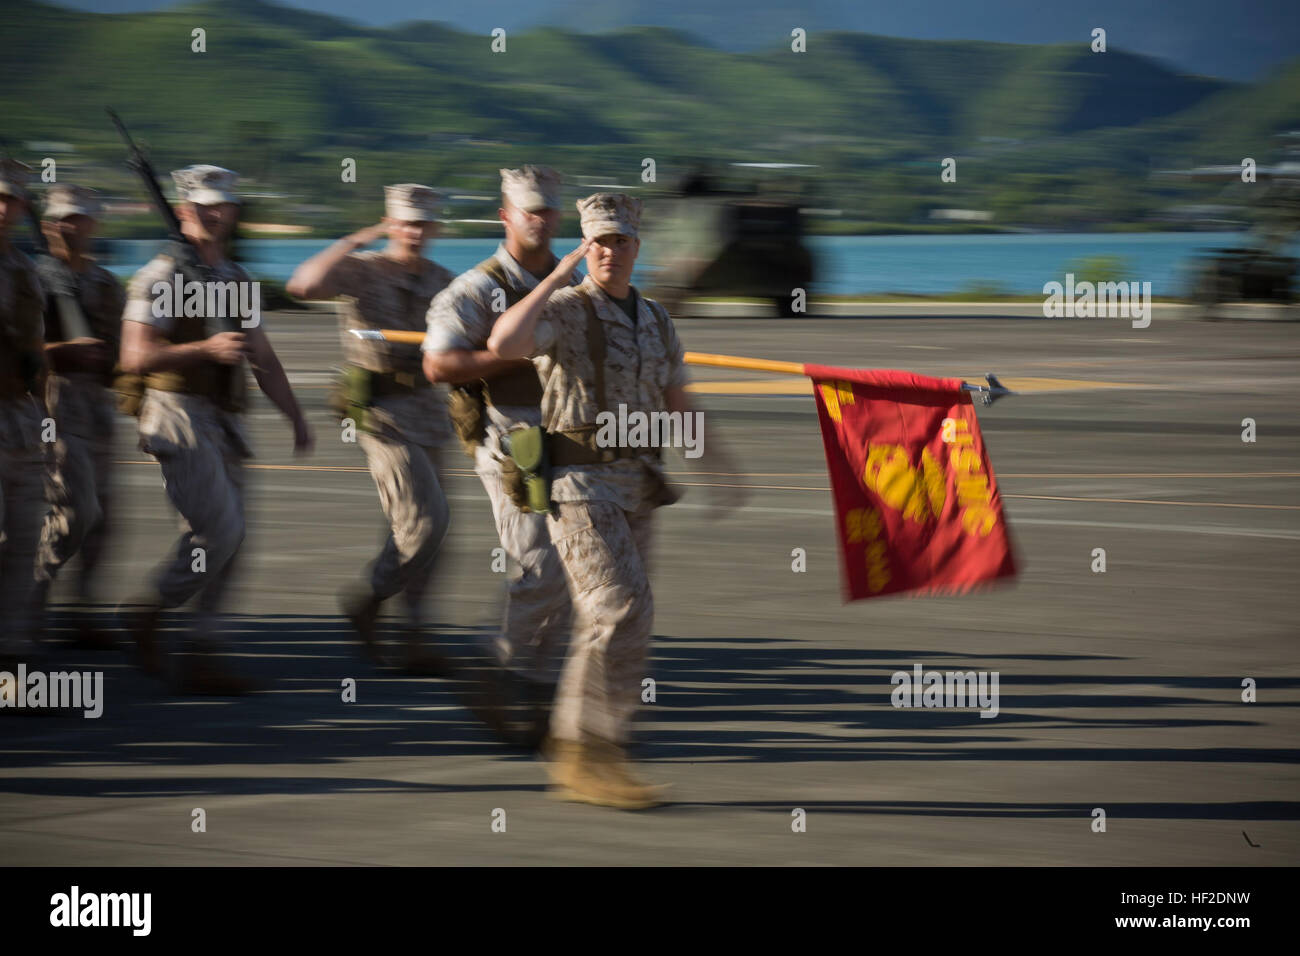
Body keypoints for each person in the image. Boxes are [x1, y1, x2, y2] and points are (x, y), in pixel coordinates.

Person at [487, 192, 699, 808]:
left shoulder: (656, 318)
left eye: (621, 240)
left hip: (638, 485)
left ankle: (597, 749)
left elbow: (677, 396)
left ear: (636, 246)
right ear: (585, 246)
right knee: (618, 608)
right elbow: (504, 344)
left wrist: (718, 460)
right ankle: (584, 754)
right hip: (577, 487)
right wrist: (556, 273)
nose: (609, 251)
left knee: (622, 620)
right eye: (598, 241)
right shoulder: (564, 309)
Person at [119, 164, 312, 694]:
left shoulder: (233, 278)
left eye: (222, 204)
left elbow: (263, 358)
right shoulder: (160, 277)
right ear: (182, 210)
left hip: (224, 417)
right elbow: (135, 355)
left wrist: (294, 414)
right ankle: (150, 607)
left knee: (236, 538)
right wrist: (204, 348)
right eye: (201, 204)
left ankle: (204, 649)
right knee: (218, 531)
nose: (213, 212)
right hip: (176, 412)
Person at [423, 166, 575, 745]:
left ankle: (530, 691)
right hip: (514, 447)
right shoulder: (474, 289)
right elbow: (438, 365)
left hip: (574, 445)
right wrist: (513, 359)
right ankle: (497, 669)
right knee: (537, 566)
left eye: (547, 210)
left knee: (569, 571)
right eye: (527, 209)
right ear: (505, 214)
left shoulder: (572, 281)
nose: (538, 219)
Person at [286, 185, 455, 673]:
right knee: (425, 522)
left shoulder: (444, 280)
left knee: (427, 525)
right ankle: (369, 599)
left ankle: (416, 632)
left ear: (435, 228)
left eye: (424, 223)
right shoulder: (364, 270)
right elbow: (302, 286)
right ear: (390, 223)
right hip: (379, 415)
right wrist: (353, 240)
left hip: (427, 410)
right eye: (406, 223)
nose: (416, 232)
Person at [31, 185, 125, 646]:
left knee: (105, 518)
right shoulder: (35, 279)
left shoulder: (107, 283)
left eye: (80, 218)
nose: (71, 226)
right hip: (53, 404)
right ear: (49, 224)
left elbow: (124, 352)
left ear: (93, 225)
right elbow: (15, 352)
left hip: (100, 407)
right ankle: (31, 597)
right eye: (63, 218)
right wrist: (66, 350)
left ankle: (83, 610)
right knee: (75, 510)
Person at [0, 159, 48, 668]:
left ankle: (13, 661)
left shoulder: (25, 271)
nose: (3, 208)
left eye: (11, 199)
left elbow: (38, 354)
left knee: (21, 543)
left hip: (21, 418)